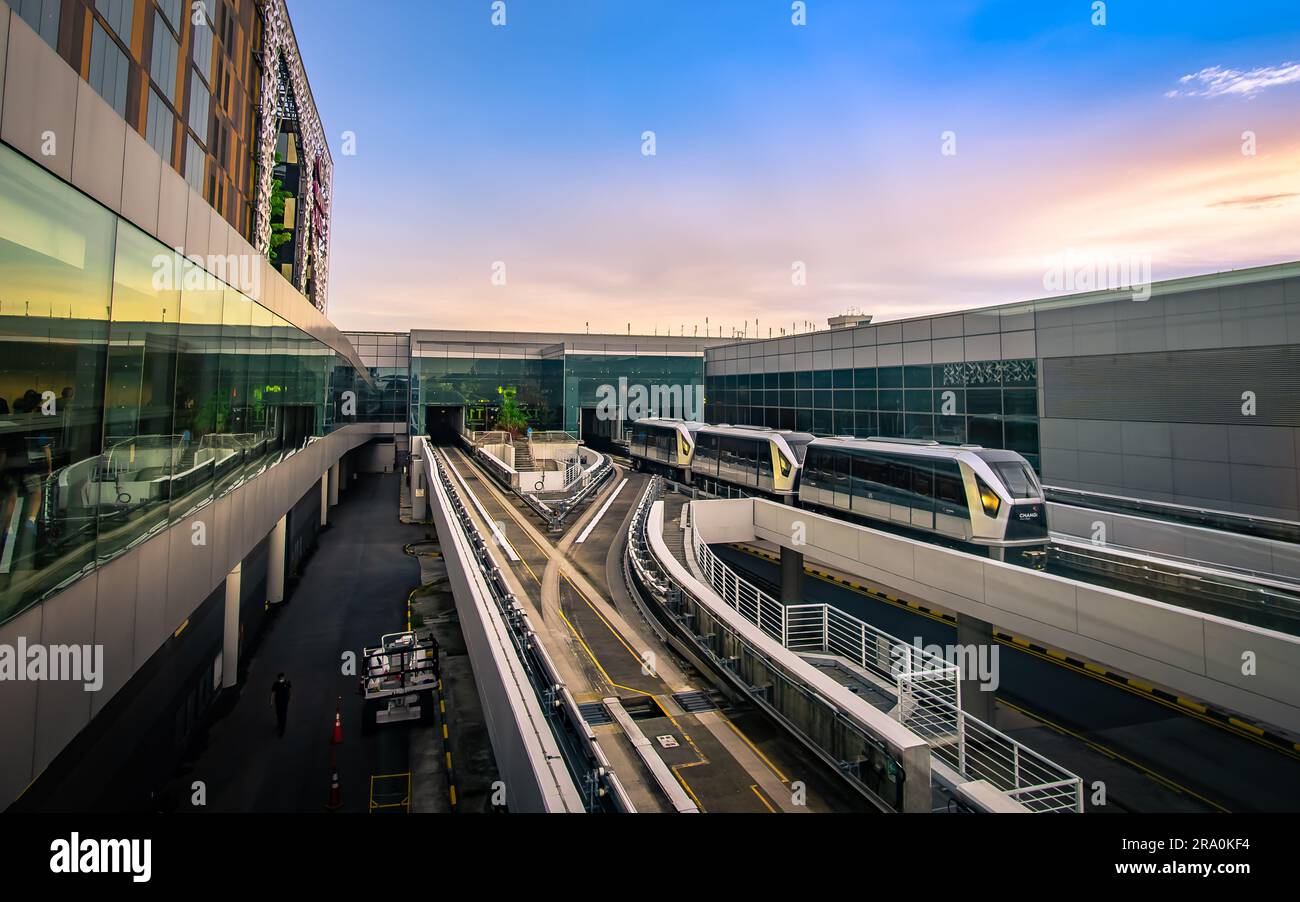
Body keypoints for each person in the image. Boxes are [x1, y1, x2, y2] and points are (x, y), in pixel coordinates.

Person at [270, 673, 292, 737]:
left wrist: (289, 697)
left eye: (282, 678)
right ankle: (279, 725)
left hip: (284, 702)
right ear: (278, 678)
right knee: (279, 714)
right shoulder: (276, 684)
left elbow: (290, 690)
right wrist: (271, 702)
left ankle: (282, 730)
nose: (282, 679)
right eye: (280, 678)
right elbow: (273, 693)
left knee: (283, 716)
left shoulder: (287, 683)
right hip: (278, 702)